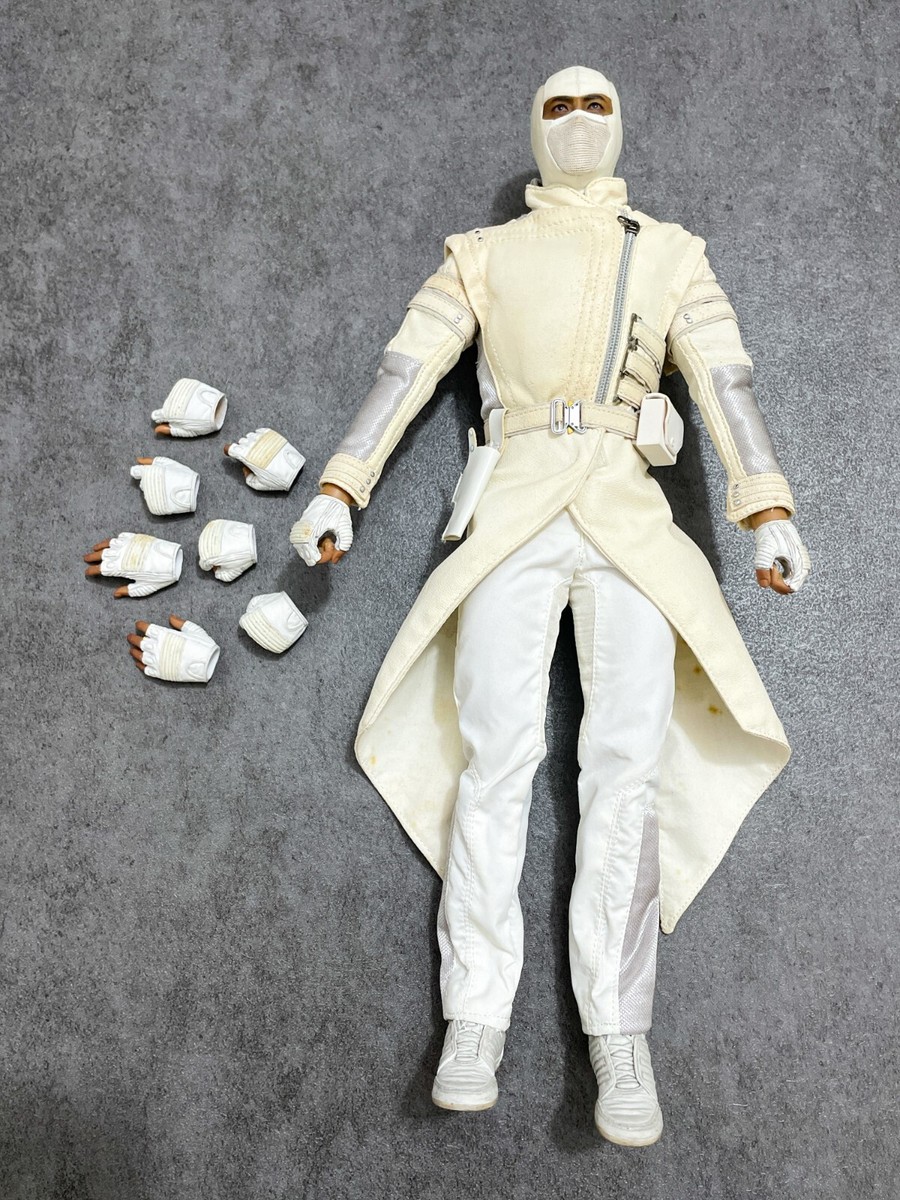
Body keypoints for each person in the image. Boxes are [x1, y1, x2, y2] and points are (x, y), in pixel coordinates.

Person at [289, 65, 810, 1147]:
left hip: (625, 516)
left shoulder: (670, 253)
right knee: (495, 759)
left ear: (622, 125)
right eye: (559, 107)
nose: (578, 122)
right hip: (514, 509)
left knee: (625, 768)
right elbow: (405, 372)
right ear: (534, 125)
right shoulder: (480, 255)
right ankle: (474, 1016)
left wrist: (766, 508)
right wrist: (342, 484)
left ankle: (621, 1031)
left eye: (597, 106)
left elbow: (726, 383)